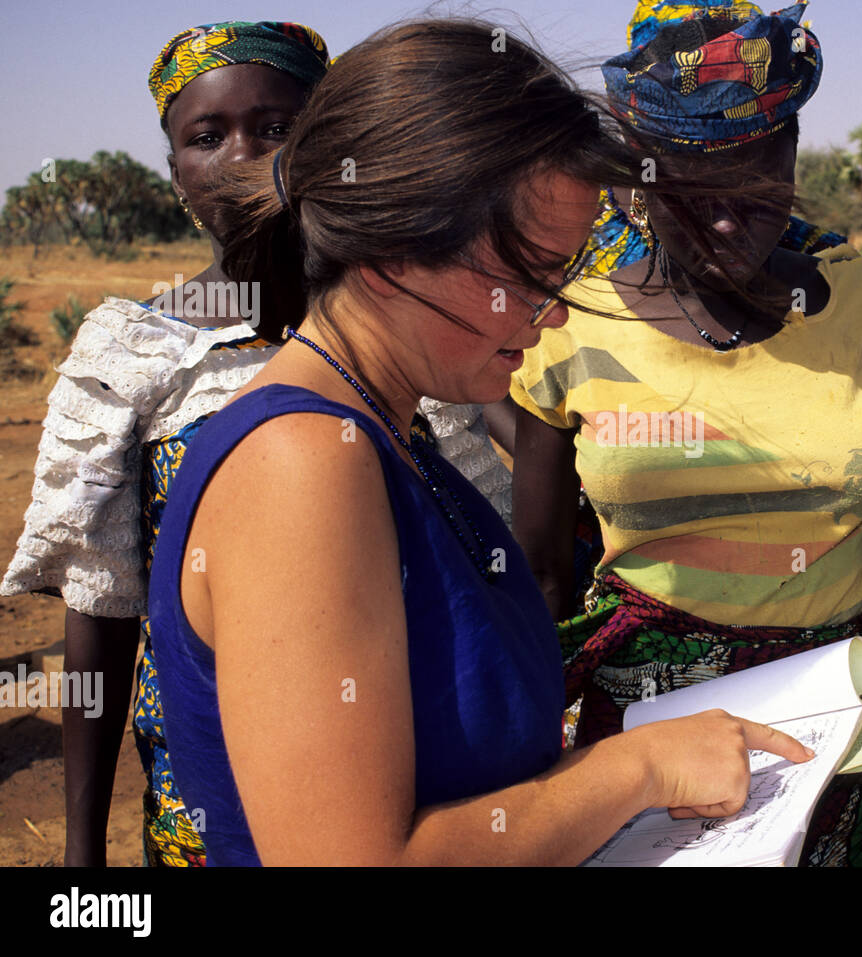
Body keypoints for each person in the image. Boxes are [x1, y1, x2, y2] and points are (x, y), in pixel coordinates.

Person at [145, 17, 810, 867]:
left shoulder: (388, 427)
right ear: (396, 245)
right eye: (529, 273)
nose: (554, 311)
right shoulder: (301, 464)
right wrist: (635, 768)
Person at [511, 3, 862, 866]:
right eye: (690, 191)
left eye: (756, 183)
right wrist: (537, 793)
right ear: (640, 183)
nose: (725, 220)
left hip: (840, 736)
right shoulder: (572, 325)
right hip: (644, 747)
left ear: (794, 161)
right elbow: (537, 577)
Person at [0, 20, 331, 867]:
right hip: (204, 769)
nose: (243, 155)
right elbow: (102, 608)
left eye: (278, 127)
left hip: (398, 749)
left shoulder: (395, 323)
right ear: (176, 173)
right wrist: (82, 853)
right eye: (207, 137)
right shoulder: (132, 352)